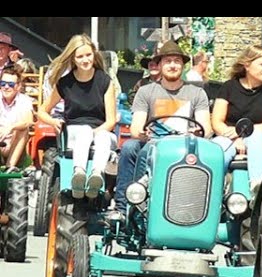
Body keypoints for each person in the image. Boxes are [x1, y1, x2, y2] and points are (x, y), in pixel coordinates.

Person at [111, 40, 211, 219]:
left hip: (185, 146)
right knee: (129, 147)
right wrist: (141, 132)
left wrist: (198, 132)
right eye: (168, 61)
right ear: (160, 64)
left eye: (177, 61)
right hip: (154, 143)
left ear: (183, 65)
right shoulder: (146, 91)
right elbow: (137, 127)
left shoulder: (197, 93)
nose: (172, 65)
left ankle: (203, 210)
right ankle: (124, 207)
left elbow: (207, 128)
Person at [36, 34, 117, 200]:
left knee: (102, 136)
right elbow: (42, 110)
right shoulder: (65, 83)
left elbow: (111, 121)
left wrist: (97, 131)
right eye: (80, 57)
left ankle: (96, 174)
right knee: (84, 131)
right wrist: (53, 121)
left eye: (88, 55)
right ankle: (78, 173)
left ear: (94, 55)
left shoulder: (105, 81)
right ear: (73, 59)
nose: (85, 60)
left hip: (101, 131)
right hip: (74, 131)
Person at [211, 44, 262, 190]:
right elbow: (217, 121)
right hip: (229, 137)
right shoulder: (228, 87)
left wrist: (241, 132)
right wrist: (235, 138)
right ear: (247, 65)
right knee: (218, 148)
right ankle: (213, 188)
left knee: (256, 136)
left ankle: (257, 189)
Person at [0, 67, 33, 172]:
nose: (6, 87)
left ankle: (9, 168)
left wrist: (11, 127)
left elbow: (28, 121)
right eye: (3, 83)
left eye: (10, 84)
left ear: (18, 86)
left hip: (15, 144)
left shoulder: (24, 100)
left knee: (23, 129)